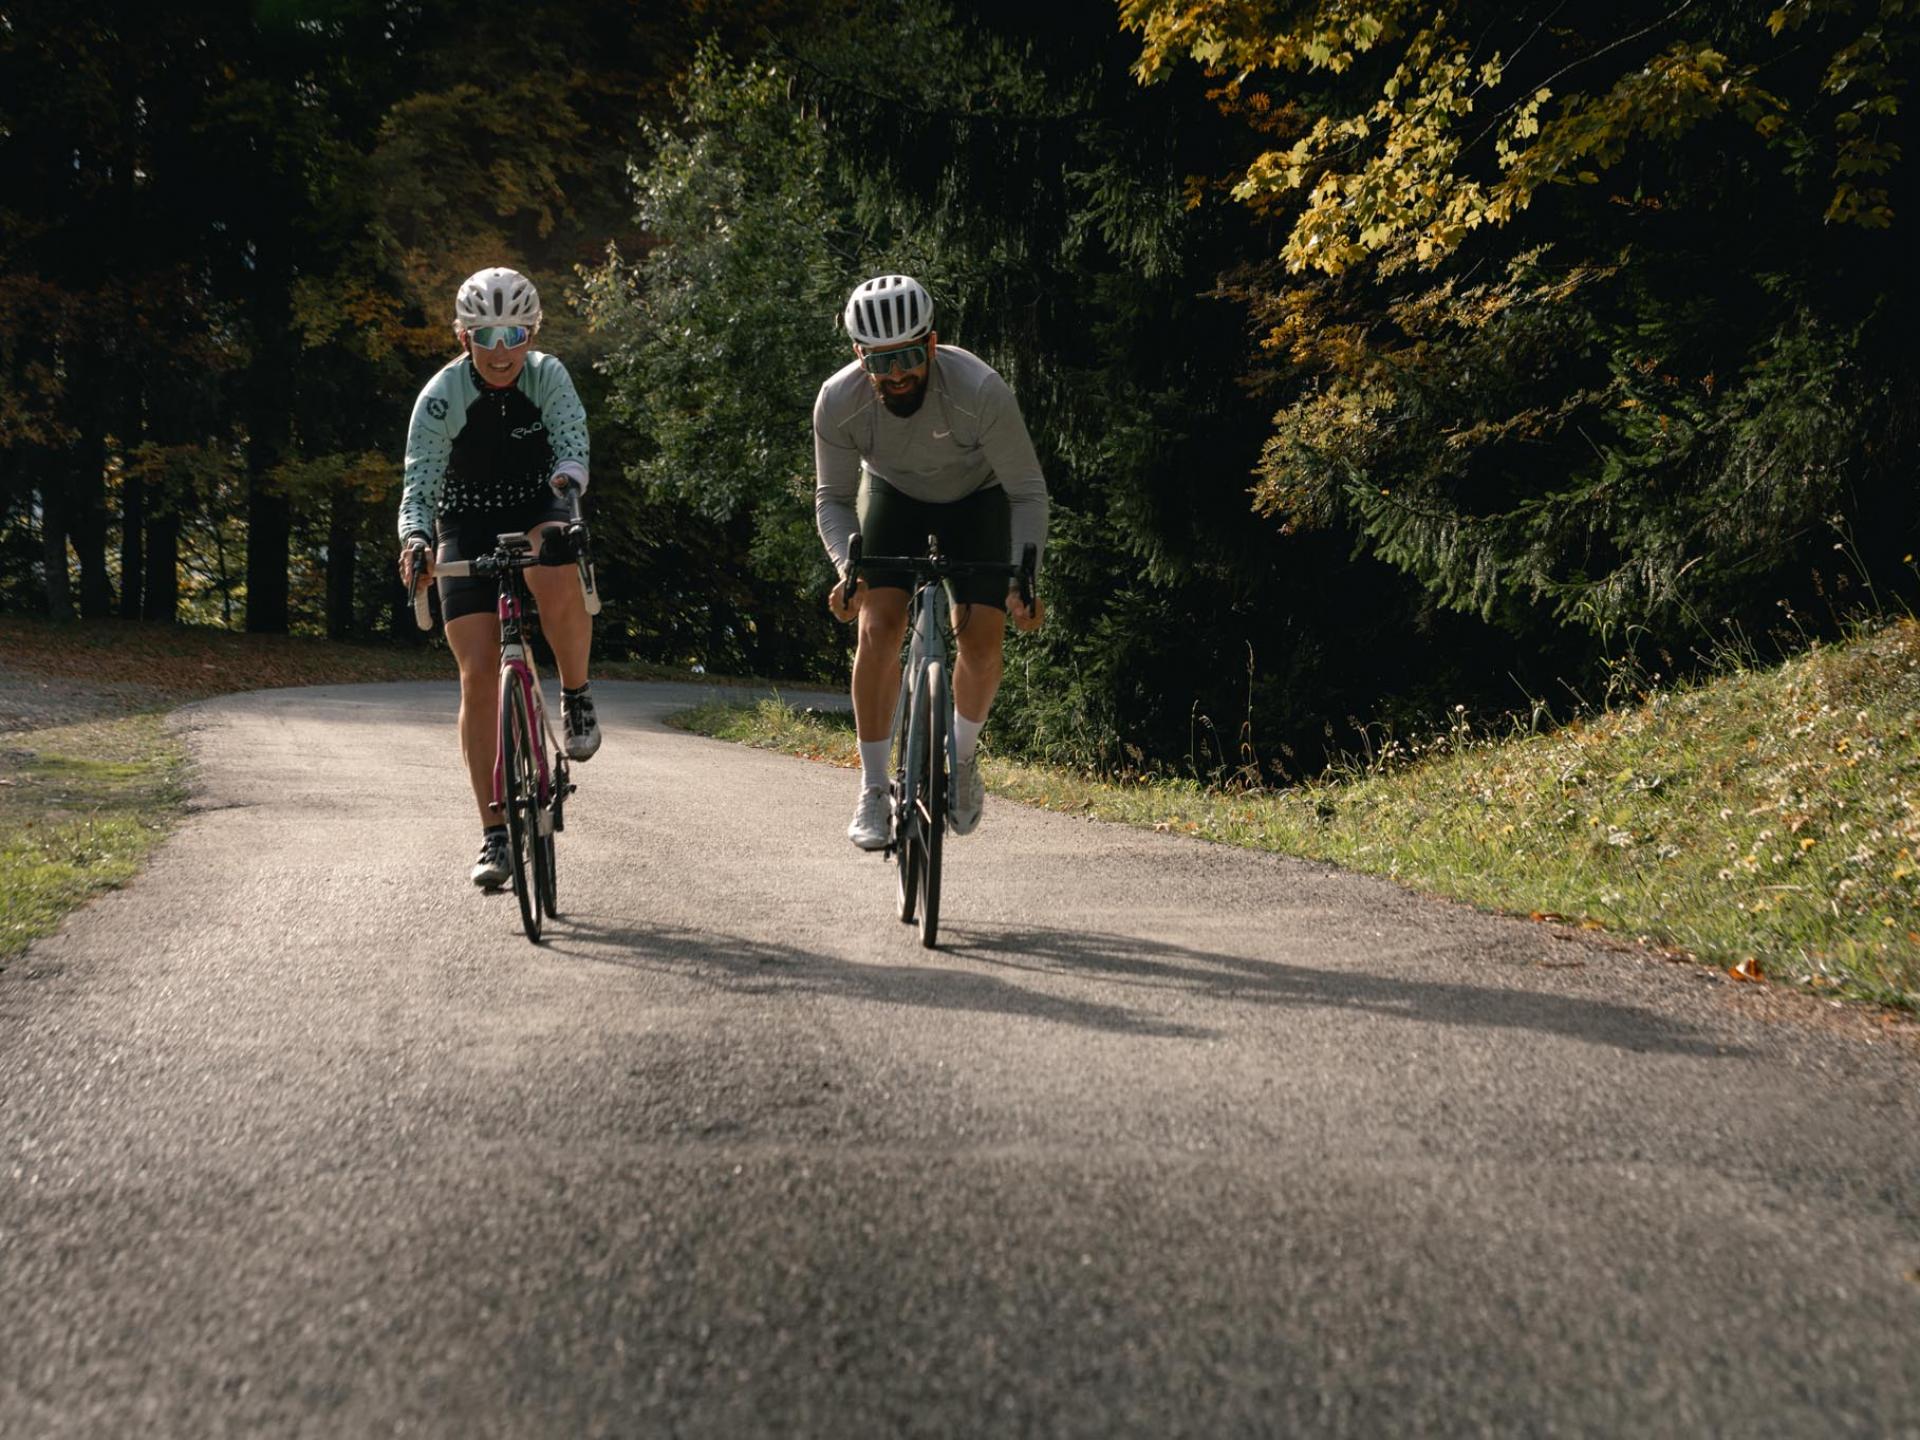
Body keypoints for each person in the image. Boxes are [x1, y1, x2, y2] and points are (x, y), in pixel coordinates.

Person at [814, 273, 1048, 850]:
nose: (897, 375)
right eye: (881, 361)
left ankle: (962, 761)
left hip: (978, 498)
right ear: (859, 356)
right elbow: (833, 500)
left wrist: (1023, 578)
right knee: (877, 627)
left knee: (983, 642)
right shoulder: (838, 401)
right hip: (892, 495)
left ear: (933, 344)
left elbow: (1026, 492)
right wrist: (848, 570)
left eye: (909, 357)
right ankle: (873, 789)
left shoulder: (979, 389)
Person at [396, 266, 601, 890]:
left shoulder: (548, 376)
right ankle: (493, 833)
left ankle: (575, 694)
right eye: (486, 336)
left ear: (532, 333)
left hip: (540, 501)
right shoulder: (441, 397)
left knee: (555, 568)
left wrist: (568, 484)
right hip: (466, 520)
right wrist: (416, 540)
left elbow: (572, 442)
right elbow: (419, 485)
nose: (502, 349)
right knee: (477, 674)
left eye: (515, 333)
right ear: (464, 338)